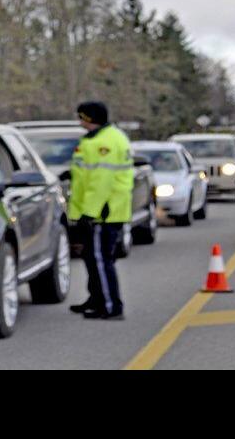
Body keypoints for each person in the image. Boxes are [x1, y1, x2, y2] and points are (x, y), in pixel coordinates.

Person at [67, 102, 134, 320]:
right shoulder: (99, 138)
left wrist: (89, 212)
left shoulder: (105, 142)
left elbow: (101, 181)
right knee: (91, 257)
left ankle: (110, 305)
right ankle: (96, 298)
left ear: (90, 118)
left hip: (103, 212)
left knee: (99, 259)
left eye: (81, 117)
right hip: (101, 209)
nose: (79, 121)